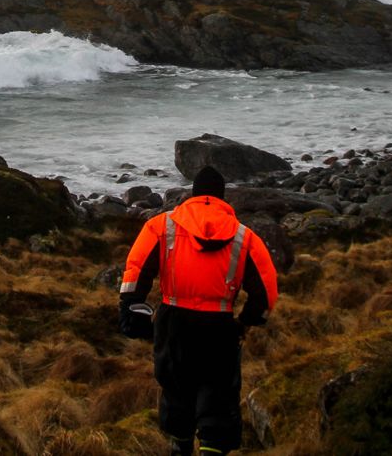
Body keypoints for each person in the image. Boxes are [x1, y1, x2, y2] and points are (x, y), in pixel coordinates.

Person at [118, 165, 279, 456]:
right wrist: (246, 321)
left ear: (193, 193)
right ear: (221, 197)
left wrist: (130, 306)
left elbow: (137, 267)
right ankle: (210, 449)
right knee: (217, 398)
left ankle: (179, 446)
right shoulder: (244, 237)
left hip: (173, 323)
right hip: (219, 327)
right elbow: (266, 292)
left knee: (176, 393)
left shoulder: (162, 225)